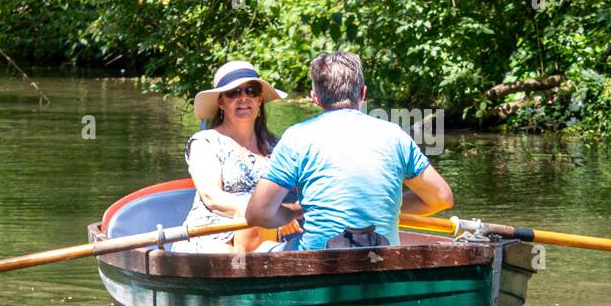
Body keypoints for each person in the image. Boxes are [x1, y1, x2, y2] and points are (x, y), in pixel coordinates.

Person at [245, 52, 454, 248]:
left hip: (319, 262)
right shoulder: (395, 136)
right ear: (363, 93)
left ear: (315, 97)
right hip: (384, 258)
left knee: (264, 247)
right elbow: (441, 198)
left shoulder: (297, 137)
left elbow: (257, 213)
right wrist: (384, 207)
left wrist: (293, 212)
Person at [174, 61, 301, 253]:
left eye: (251, 90)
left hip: (270, 233)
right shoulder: (204, 142)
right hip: (213, 234)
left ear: (259, 99)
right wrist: (271, 212)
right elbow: (212, 198)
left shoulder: (278, 146)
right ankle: (245, 268)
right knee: (232, 246)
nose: (244, 98)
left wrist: (284, 214)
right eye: (234, 92)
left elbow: (298, 191)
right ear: (221, 102)